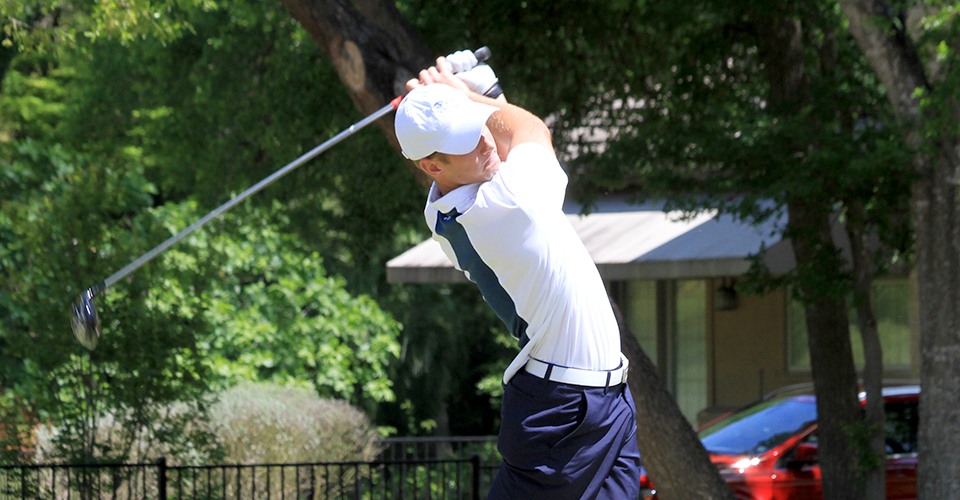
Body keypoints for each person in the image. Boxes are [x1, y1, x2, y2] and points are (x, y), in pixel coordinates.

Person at [394, 50, 642, 500]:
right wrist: (468, 92)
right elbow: (530, 131)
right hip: (563, 411)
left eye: (479, 126)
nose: (486, 141)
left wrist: (476, 95)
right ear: (432, 167)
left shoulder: (465, 200)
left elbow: (503, 139)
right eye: (467, 140)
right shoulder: (500, 208)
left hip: (602, 401)